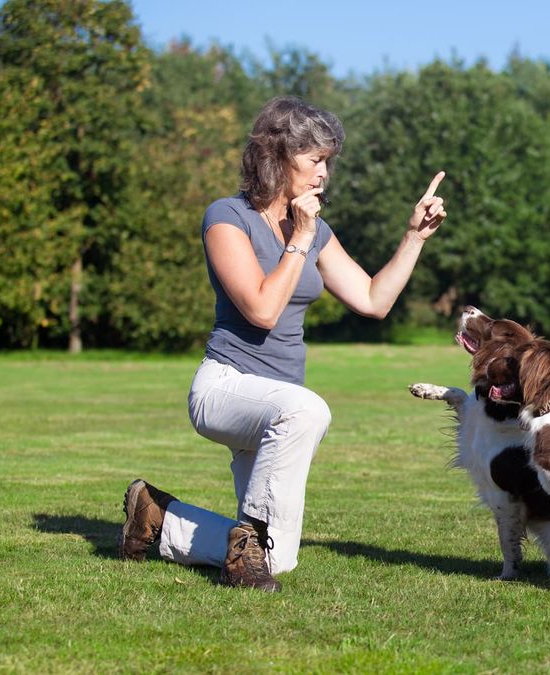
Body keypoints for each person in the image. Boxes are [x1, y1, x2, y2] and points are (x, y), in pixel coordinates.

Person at [117, 96, 446, 592]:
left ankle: (157, 519)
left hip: (278, 407)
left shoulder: (315, 232)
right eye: (315, 160)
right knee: (308, 410)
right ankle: (244, 545)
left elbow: (373, 300)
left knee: (278, 561)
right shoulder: (227, 218)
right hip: (225, 387)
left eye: (328, 162)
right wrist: (299, 239)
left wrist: (414, 238)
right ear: (277, 156)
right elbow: (261, 308)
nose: (324, 174)